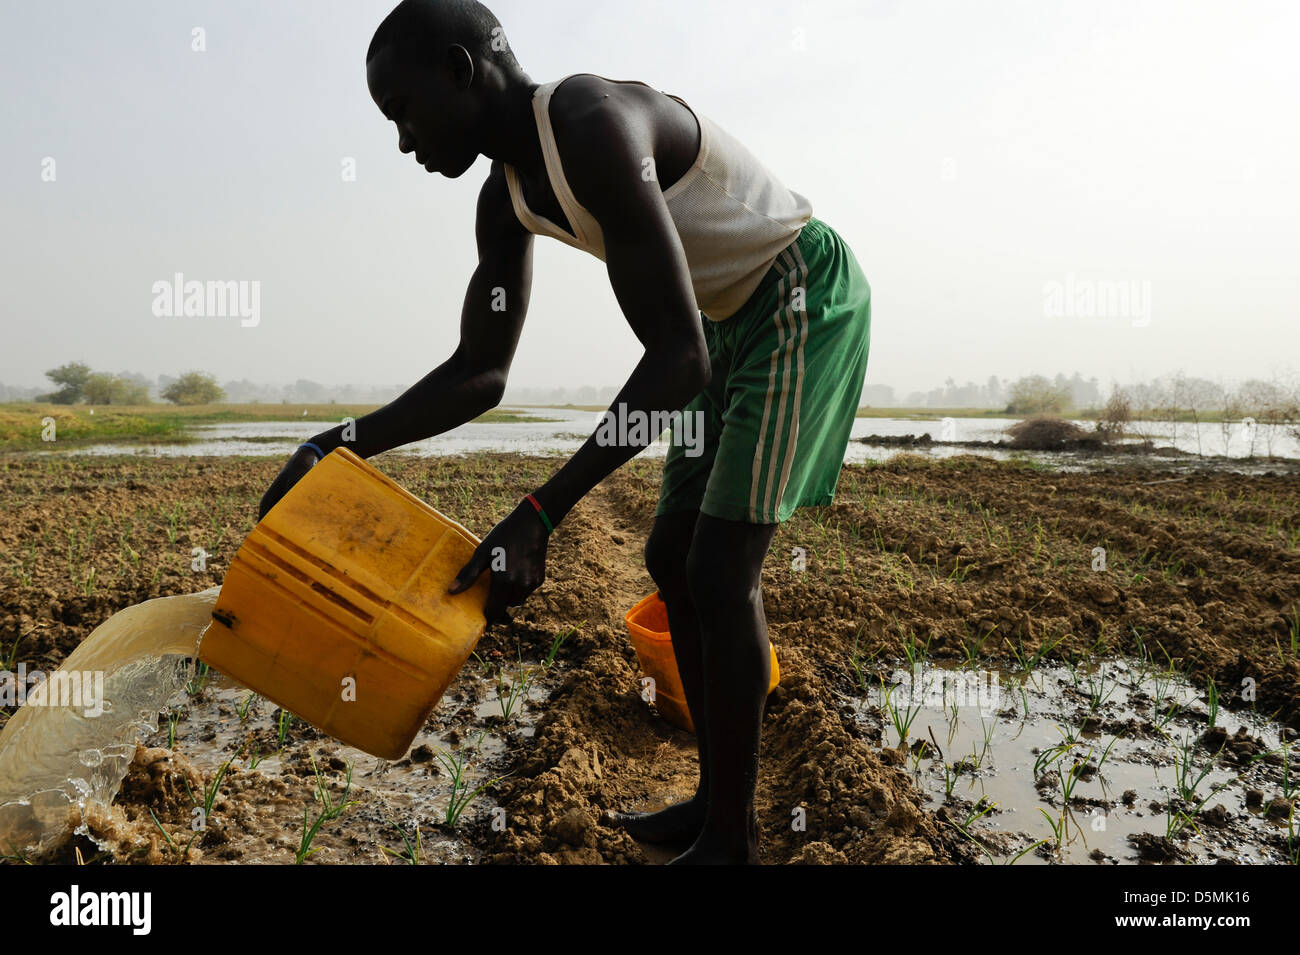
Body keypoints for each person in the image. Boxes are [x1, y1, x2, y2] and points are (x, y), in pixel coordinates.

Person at [259, 0, 871, 865]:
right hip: (719, 327)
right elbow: (481, 369)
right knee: (671, 560)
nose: (401, 142)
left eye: (402, 110)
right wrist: (338, 442)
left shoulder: (589, 123)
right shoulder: (504, 202)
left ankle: (732, 840)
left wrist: (541, 513)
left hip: (794, 296)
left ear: (461, 71)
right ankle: (713, 803)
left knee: (719, 565)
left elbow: (676, 359)